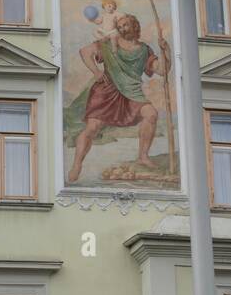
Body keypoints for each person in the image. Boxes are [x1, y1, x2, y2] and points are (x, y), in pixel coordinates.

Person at [66, 13, 171, 182]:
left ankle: (143, 156)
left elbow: (162, 70)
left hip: (132, 92)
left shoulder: (144, 50)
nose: (122, 29)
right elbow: (85, 52)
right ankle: (77, 164)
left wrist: (167, 50)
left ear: (134, 26)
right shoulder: (108, 44)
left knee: (151, 114)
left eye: (125, 25)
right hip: (106, 91)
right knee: (92, 128)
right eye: (119, 26)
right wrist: (96, 71)